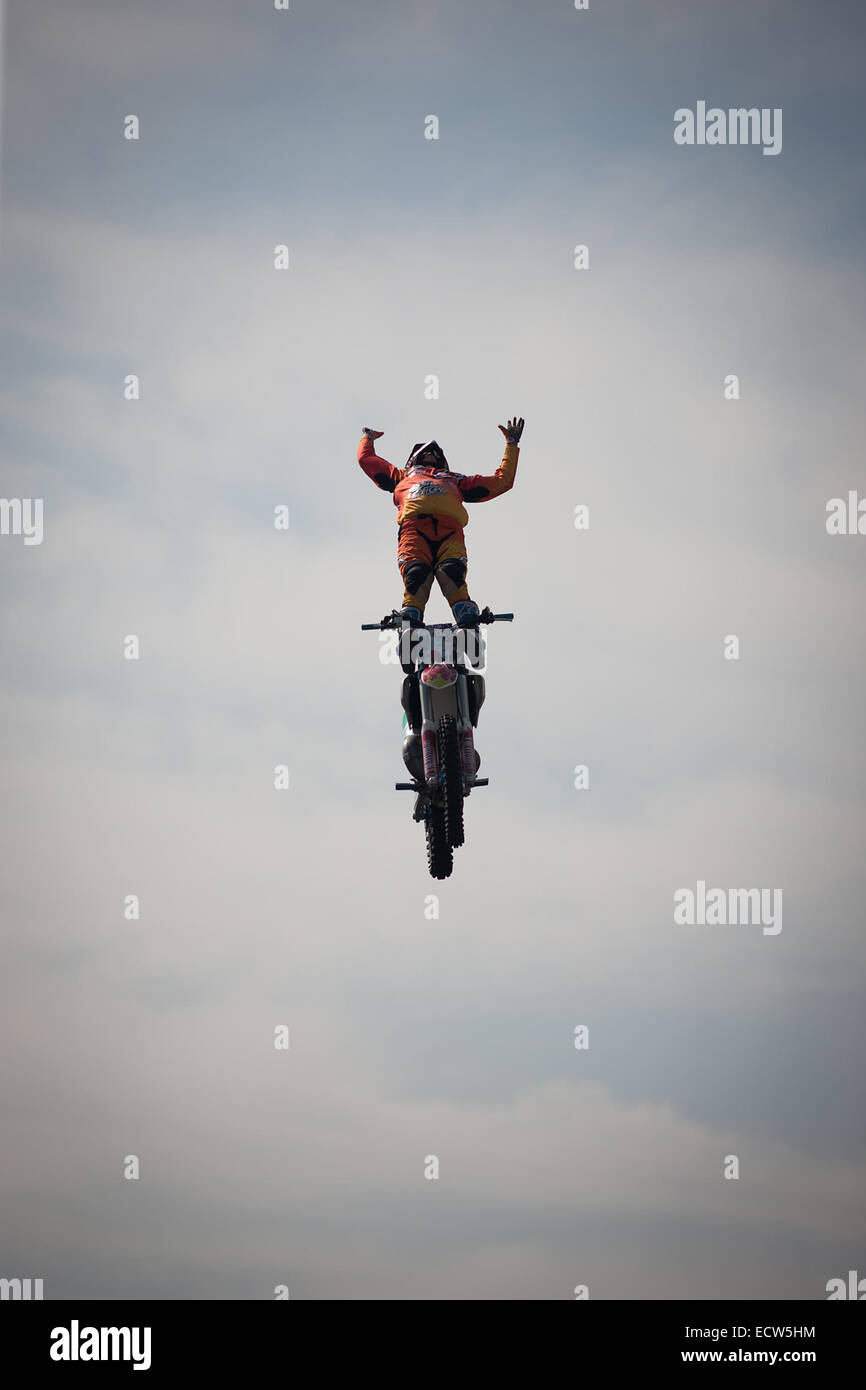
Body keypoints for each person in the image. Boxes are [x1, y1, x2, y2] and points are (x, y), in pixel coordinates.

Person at [357, 418, 524, 625]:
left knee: (452, 571)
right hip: (414, 530)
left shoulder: (457, 480)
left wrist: (512, 445)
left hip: (450, 533)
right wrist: (368, 437)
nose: (431, 454)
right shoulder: (400, 476)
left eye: (436, 453)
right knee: (416, 573)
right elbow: (366, 460)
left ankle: (466, 616)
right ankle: (410, 617)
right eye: (426, 452)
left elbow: (502, 482)